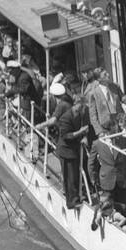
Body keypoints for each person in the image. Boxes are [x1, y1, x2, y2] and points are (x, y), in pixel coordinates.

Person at [39, 79, 89, 207]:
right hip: (66, 149)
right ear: (76, 104)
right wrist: (80, 133)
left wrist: (83, 136)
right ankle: (72, 202)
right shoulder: (67, 115)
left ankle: (77, 195)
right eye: (81, 107)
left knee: (74, 175)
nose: (82, 110)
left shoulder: (72, 110)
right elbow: (66, 136)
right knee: (69, 176)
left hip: (74, 148)